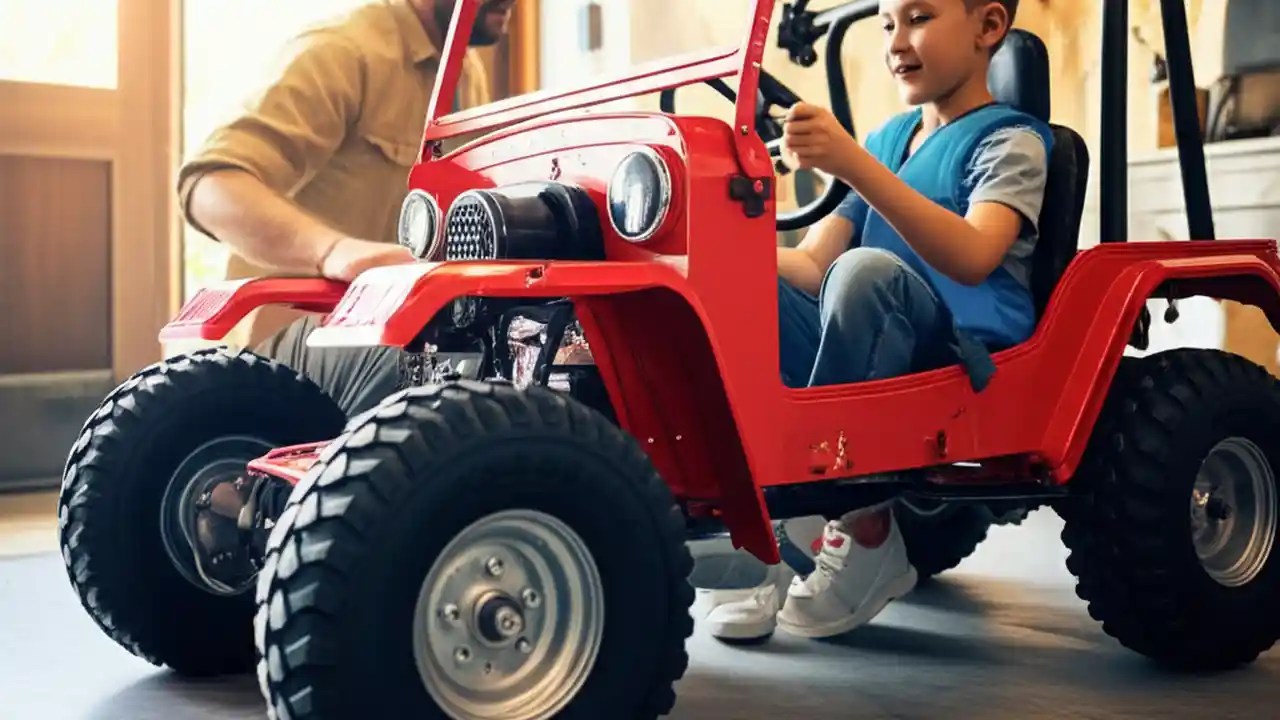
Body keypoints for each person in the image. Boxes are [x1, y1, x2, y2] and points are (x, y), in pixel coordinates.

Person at [702, 0, 1051, 641]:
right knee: (735, 293)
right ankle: (774, 533)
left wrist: (851, 165)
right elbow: (812, 266)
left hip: (954, 349)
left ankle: (861, 530)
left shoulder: (1012, 141)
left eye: (919, 17)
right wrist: (712, 256)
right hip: (866, 327)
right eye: (887, 23)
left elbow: (975, 256)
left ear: (988, 28)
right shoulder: (888, 139)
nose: (896, 40)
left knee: (865, 273)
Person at [178, 0, 516, 415]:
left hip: (389, 353)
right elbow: (210, 184)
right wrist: (332, 252)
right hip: (287, 371)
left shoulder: (463, 71)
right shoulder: (343, 51)